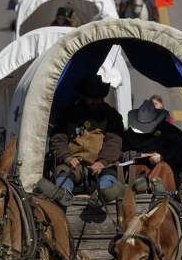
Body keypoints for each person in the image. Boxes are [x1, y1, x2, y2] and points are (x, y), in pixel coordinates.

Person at [47, 75, 124, 203]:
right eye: (92, 98)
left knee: (108, 179)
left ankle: (100, 198)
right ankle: (63, 198)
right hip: (74, 165)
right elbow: (58, 138)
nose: (96, 101)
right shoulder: (68, 113)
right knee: (63, 176)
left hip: (103, 165)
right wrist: (67, 157)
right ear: (83, 96)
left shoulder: (112, 115)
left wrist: (103, 162)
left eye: (99, 98)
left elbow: (114, 141)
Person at [121, 99, 182, 191]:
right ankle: (139, 187)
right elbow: (121, 152)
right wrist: (139, 155)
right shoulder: (129, 134)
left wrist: (162, 155)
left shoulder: (167, 130)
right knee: (136, 168)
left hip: (161, 168)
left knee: (163, 167)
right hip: (138, 170)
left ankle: (160, 192)